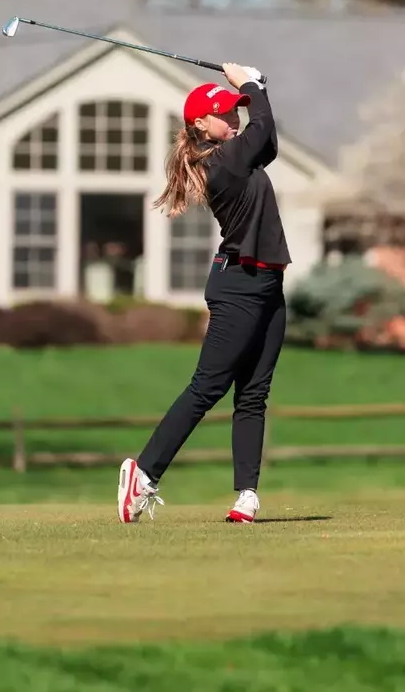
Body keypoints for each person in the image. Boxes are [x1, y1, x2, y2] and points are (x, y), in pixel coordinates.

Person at [118, 61, 290, 524]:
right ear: (199, 124)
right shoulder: (220, 161)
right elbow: (264, 127)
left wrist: (256, 88)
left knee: (254, 393)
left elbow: (268, 138)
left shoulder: (238, 154)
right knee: (208, 386)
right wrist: (251, 84)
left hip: (267, 282)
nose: (233, 118)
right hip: (239, 285)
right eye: (224, 113)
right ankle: (144, 473)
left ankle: (246, 496)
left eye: (236, 111)